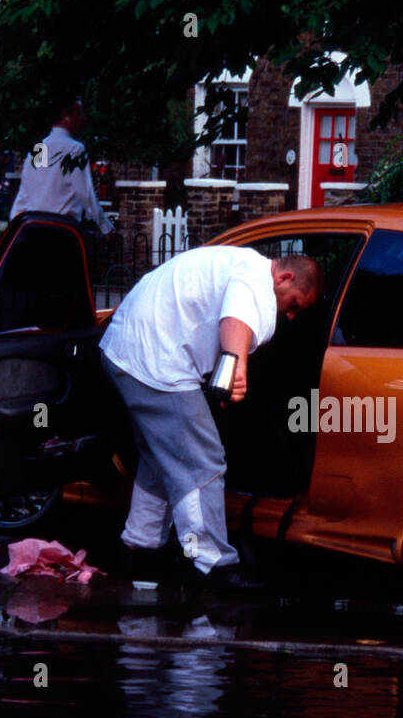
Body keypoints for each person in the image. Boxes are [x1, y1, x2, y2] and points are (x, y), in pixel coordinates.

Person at [99, 246, 321, 590]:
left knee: (163, 457)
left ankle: (139, 549)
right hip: (155, 362)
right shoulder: (253, 281)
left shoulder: (244, 264)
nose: (291, 316)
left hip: (130, 350)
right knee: (202, 462)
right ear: (285, 278)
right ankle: (211, 563)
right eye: (293, 304)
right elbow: (236, 319)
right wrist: (236, 367)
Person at [9, 96, 115, 235]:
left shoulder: (38, 149)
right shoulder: (75, 149)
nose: (83, 119)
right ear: (66, 116)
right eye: (79, 114)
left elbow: (24, 195)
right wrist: (107, 228)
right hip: (60, 231)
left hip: (32, 229)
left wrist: (14, 227)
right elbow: (85, 194)